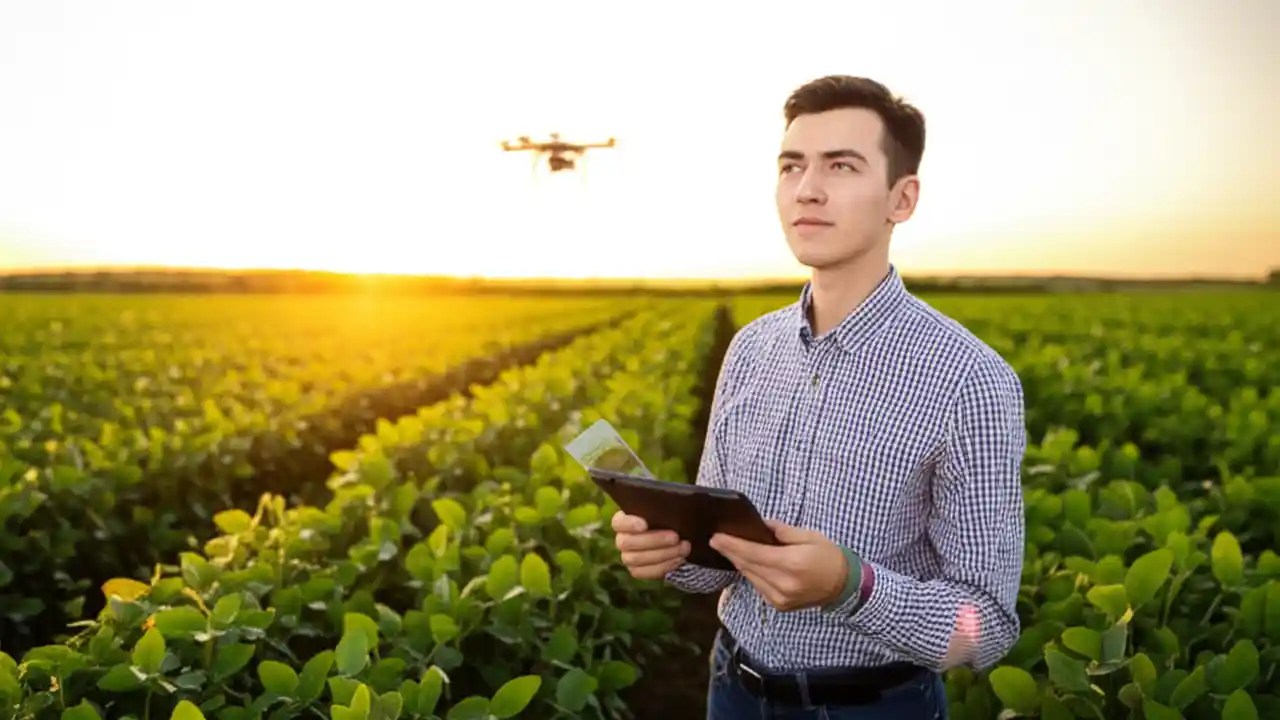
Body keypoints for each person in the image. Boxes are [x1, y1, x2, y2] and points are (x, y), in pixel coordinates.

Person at [610, 74, 1027, 719]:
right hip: (732, 689)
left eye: (842, 165)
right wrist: (669, 553)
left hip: (876, 707)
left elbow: (985, 634)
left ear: (902, 198)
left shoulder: (969, 379)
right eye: (791, 166)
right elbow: (720, 564)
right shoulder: (751, 349)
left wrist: (849, 586)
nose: (807, 188)